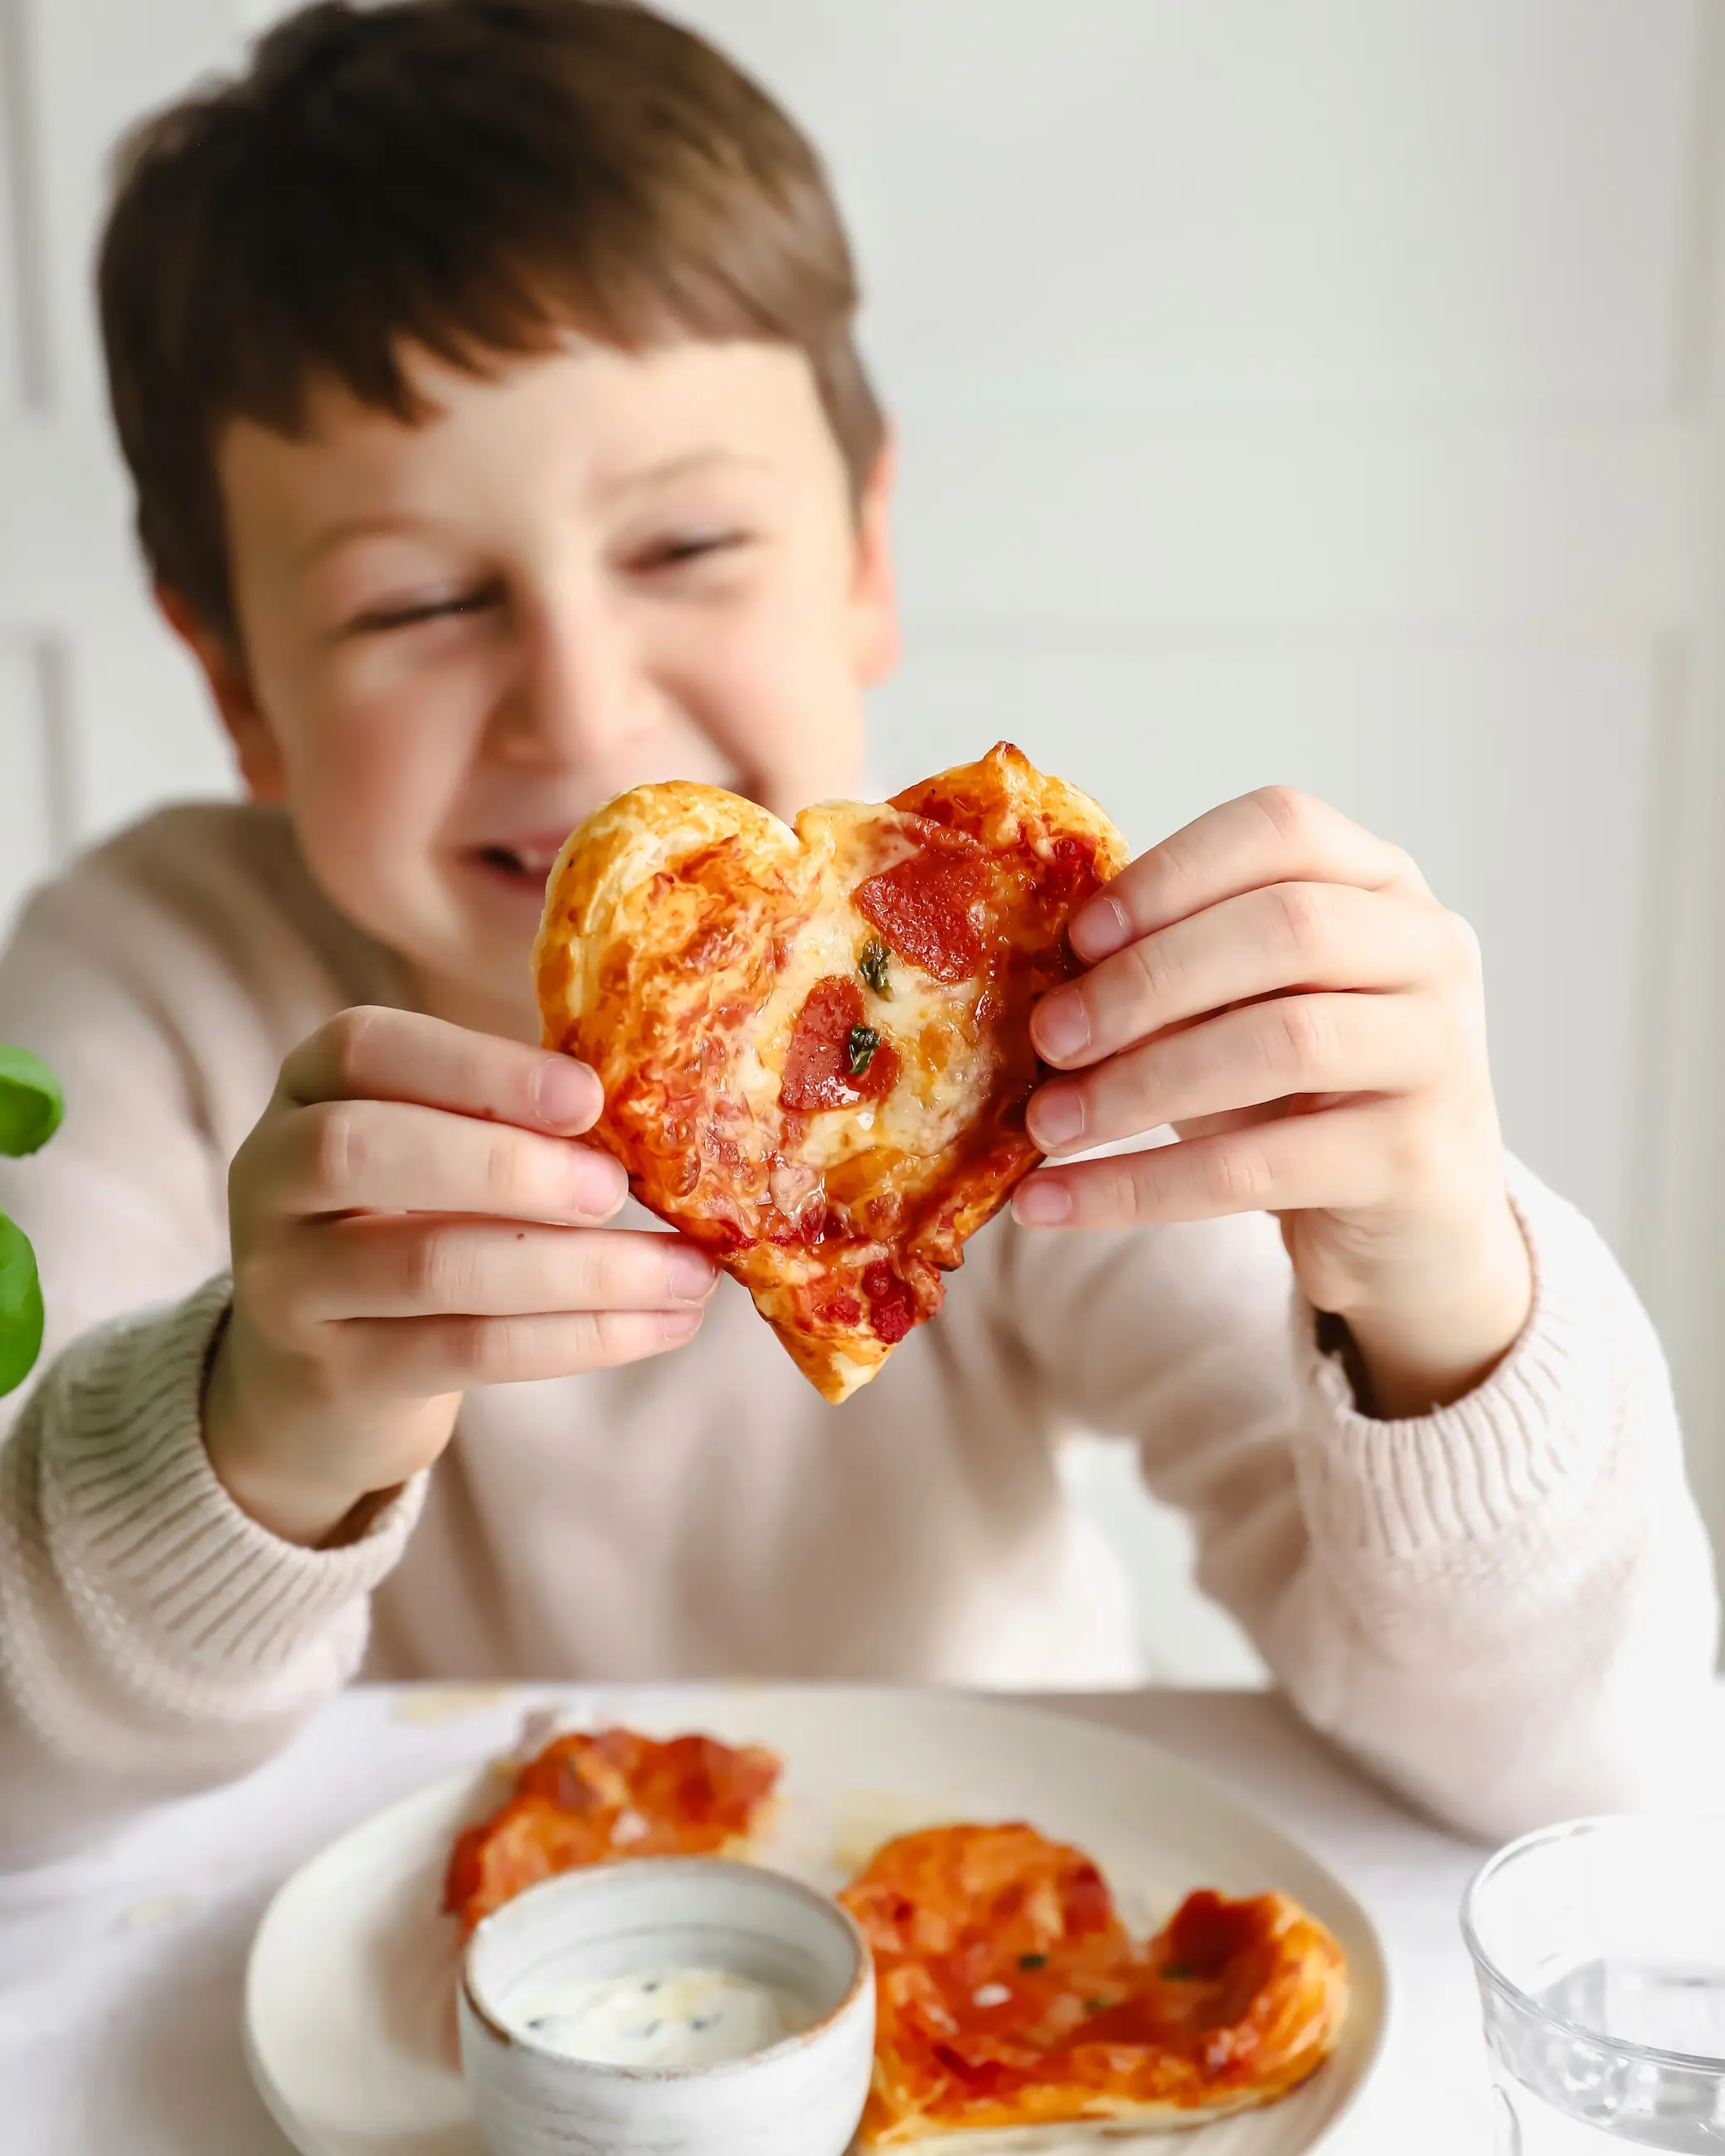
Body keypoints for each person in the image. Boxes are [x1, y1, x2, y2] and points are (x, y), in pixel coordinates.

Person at [0, 0, 1713, 1862]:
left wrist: (1442, 1285)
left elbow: (1586, 1775)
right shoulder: (139, 989)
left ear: (864, 559)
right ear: (234, 684)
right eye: (417, 603)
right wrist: (257, 1435)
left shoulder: (1021, 1008)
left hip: (987, 1909)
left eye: (681, 551)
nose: (575, 711)